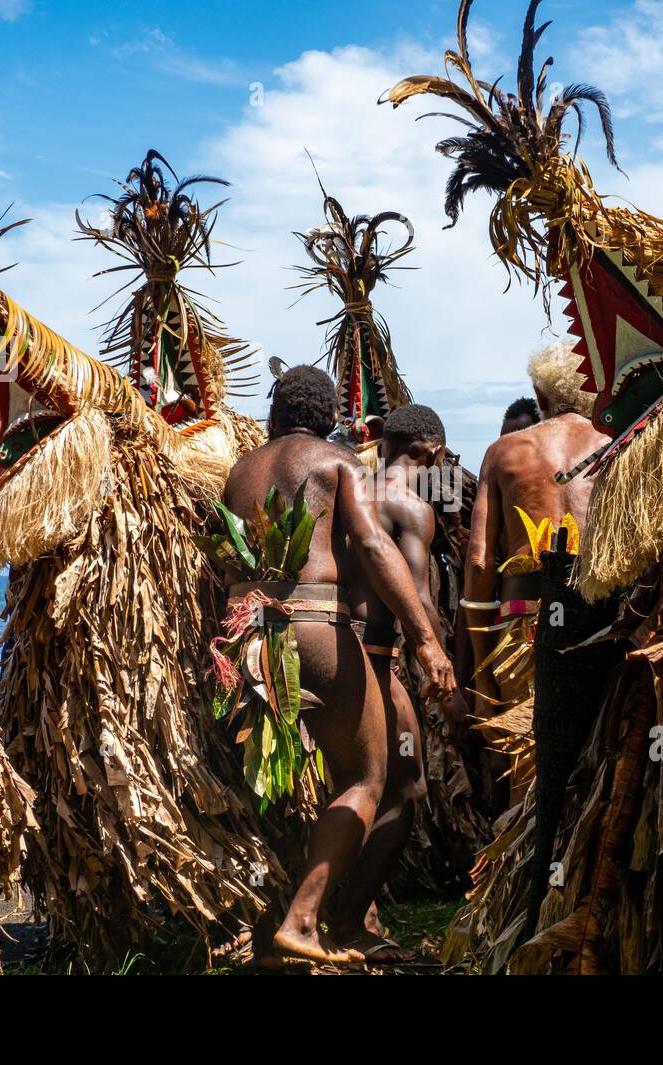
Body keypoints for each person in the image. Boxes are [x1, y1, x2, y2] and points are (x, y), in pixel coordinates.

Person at [222, 366, 454, 965]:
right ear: (331, 420)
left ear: (273, 416)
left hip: (246, 634)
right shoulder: (337, 464)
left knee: (277, 787)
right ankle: (302, 923)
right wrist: (426, 641)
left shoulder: (240, 470)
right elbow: (374, 547)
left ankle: (284, 925)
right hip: (313, 624)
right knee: (370, 777)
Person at [330, 402, 466, 960]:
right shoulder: (410, 507)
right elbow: (420, 601)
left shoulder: (349, 493)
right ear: (431, 452)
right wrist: (445, 670)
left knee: (349, 783)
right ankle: (345, 924)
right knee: (403, 787)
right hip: (374, 661)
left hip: (323, 653)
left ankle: (345, 914)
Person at [463, 342, 609, 714]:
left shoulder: (502, 451)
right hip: (601, 625)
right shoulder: (615, 442)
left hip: (524, 627)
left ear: (540, 395)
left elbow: (479, 564)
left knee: (527, 756)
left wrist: (482, 673)